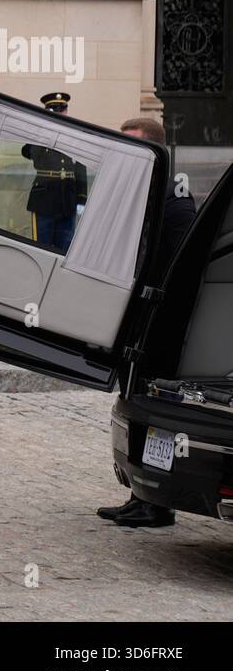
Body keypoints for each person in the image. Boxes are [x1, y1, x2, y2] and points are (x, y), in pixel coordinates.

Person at [97, 116, 198, 529]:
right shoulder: (135, 194)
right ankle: (140, 493)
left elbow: (179, 267)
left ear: (156, 153)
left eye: (134, 148)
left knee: (151, 408)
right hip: (132, 319)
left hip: (157, 325)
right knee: (132, 402)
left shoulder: (175, 198)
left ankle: (158, 503)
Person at [21, 92, 88, 252]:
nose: (59, 112)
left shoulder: (74, 134)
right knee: (41, 248)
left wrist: (81, 199)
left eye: (62, 109)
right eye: (54, 109)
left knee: (65, 248)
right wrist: (43, 129)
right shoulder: (40, 132)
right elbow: (27, 151)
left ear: (66, 110)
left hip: (68, 200)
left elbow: (80, 167)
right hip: (44, 198)